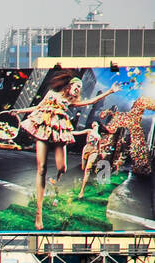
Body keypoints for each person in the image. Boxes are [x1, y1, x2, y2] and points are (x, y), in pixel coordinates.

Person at [8, 73, 119, 228]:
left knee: (62, 168)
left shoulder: (71, 101)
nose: (78, 90)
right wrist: (20, 111)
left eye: (80, 88)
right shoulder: (52, 94)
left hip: (60, 130)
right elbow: (38, 107)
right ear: (69, 86)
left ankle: (54, 181)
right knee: (41, 168)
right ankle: (38, 215)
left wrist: (110, 92)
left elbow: (91, 101)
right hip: (44, 127)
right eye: (77, 86)